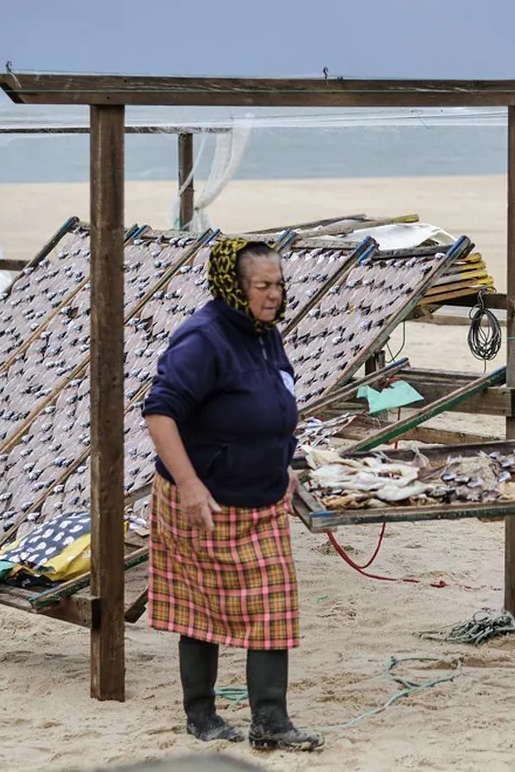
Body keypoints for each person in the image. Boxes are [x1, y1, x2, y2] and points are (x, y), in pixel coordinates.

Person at [143, 237, 323, 751]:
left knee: (274, 604)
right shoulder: (202, 340)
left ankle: (270, 721)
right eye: (262, 286)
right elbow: (160, 413)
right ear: (232, 287)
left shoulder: (266, 334)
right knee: (198, 606)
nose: (274, 295)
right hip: (204, 502)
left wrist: (283, 461)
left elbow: (276, 403)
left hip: (262, 499)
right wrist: (192, 485)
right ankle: (200, 714)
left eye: (279, 284)